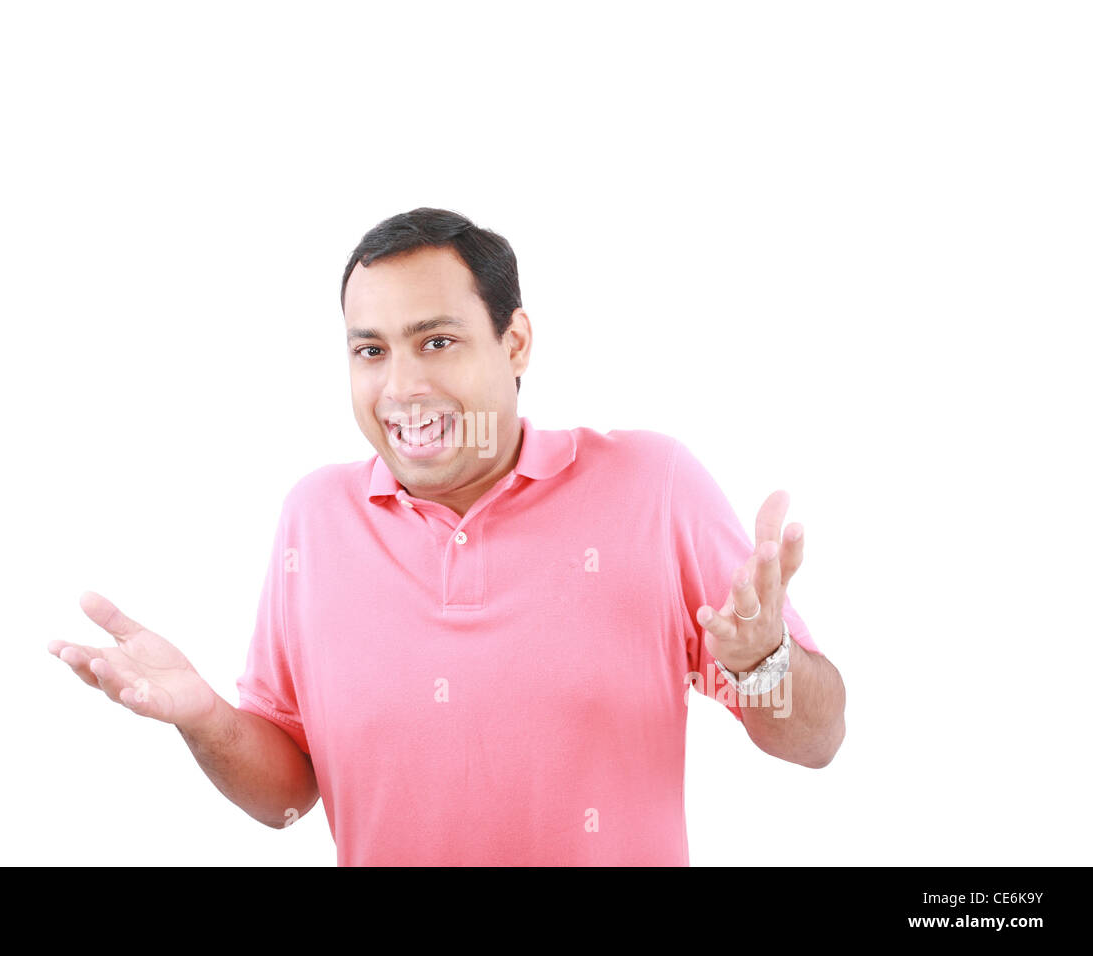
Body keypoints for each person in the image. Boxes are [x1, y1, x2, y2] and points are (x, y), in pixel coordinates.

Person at [47, 207, 847, 865]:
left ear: (516, 342)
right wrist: (207, 719)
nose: (401, 388)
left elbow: (814, 741)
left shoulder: (652, 484)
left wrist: (760, 663)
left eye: (437, 341)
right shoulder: (315, 519)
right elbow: (288, 799)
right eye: (371, 351)